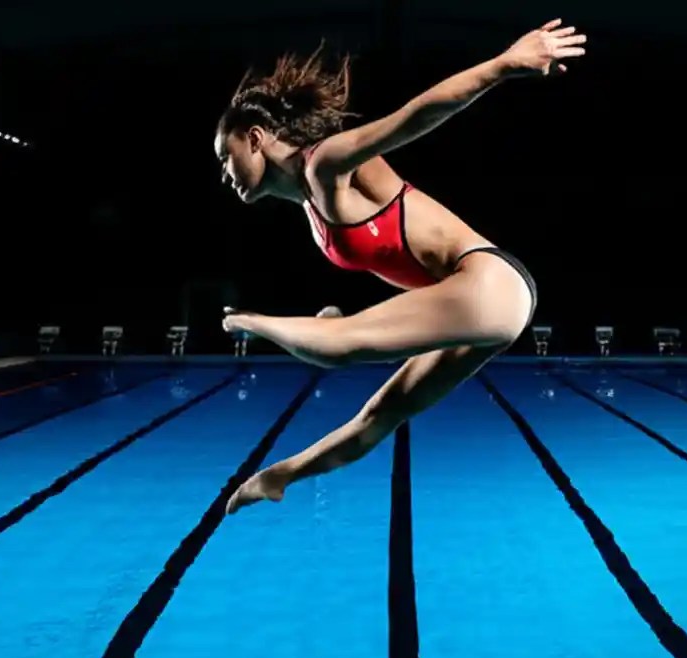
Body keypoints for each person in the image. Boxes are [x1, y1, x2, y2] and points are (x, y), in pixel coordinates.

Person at [217, 19, 587, 514]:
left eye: (227, 156)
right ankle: (277, 477)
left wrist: (502, 65)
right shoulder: (309, 206)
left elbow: (413, 117)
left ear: (256, 137)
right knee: (380, 415)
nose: (225, 174)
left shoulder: (324, 164)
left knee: (340, 346)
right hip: (486, 303)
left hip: (490, 281)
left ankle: (249, 321)